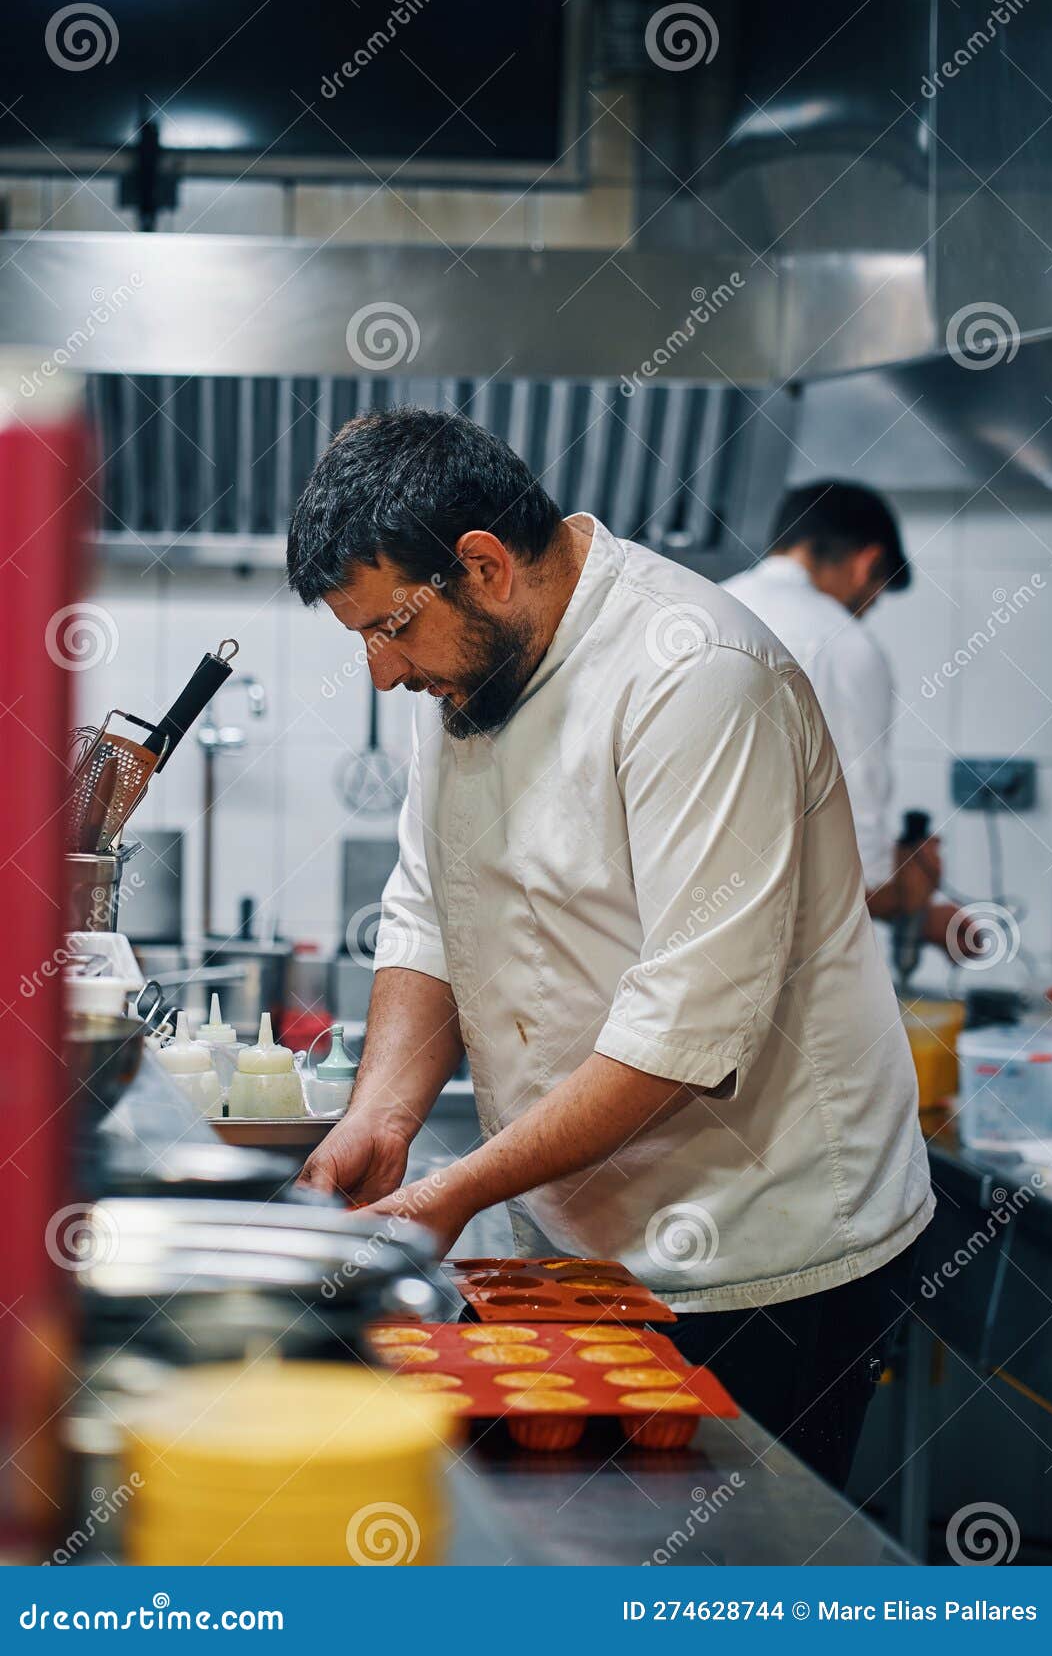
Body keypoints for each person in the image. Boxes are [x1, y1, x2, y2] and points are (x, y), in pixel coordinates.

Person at [287, 410, 934, 1488]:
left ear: (484, 567)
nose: (381, 672)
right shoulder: (465, 672)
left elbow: (685, 1030)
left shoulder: (697, 674)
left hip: (758, 1254)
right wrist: (382, 1115)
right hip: (575, 1244)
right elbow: (430, 911)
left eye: (387, 631)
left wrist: (452, 1194)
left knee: (732, 1587)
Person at [724, 482, 965, 954]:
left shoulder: (699, 608)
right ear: (867, 563)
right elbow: (863, 874)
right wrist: (911, 889)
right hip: (774, 956)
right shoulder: (843, 646)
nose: (867, 609)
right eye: (875, 596)